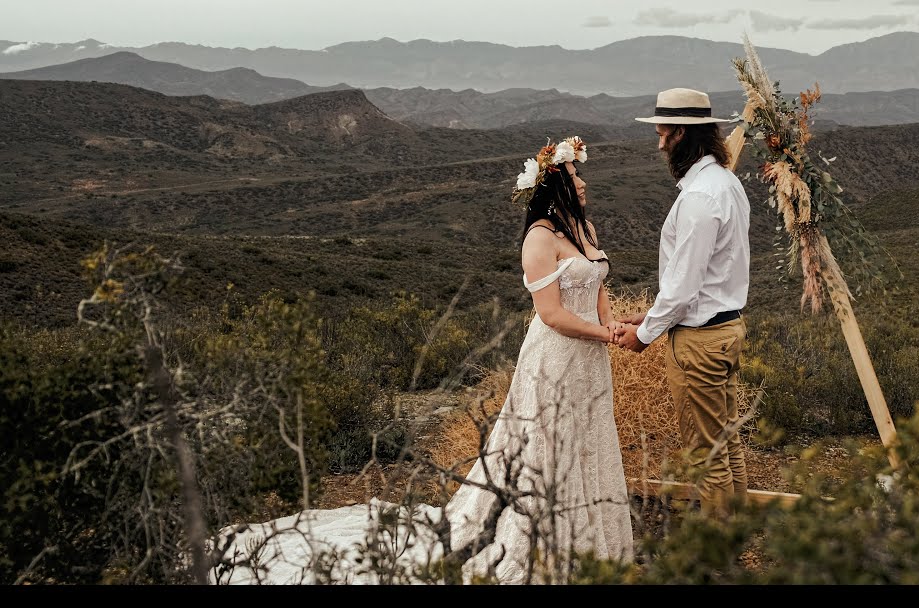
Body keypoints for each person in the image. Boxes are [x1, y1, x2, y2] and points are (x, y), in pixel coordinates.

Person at [217, 136, 634, 584]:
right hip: (556, 355)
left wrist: (616, 323)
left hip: (590, 355)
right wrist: (606, 333)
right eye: (575, 176)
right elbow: (551, 315)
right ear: (554, 187)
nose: (584, 183)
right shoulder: (538, 240)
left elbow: (597, 289)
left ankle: (591, 541)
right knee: (547, 444)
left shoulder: (584, 229)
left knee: (588, 436)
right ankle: (539, 545)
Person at [613, 88, 751, 517]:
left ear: (683, 135)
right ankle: (737, 528)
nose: (659, 144)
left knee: (706, 455)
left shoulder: (698, 198)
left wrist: (645, 333)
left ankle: (718, 549)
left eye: (663, 134)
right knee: (725, 443)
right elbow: (701, 278)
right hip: (724, 328)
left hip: (699, 343)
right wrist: (653, 314)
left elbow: (685, 287)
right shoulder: (726, 184)